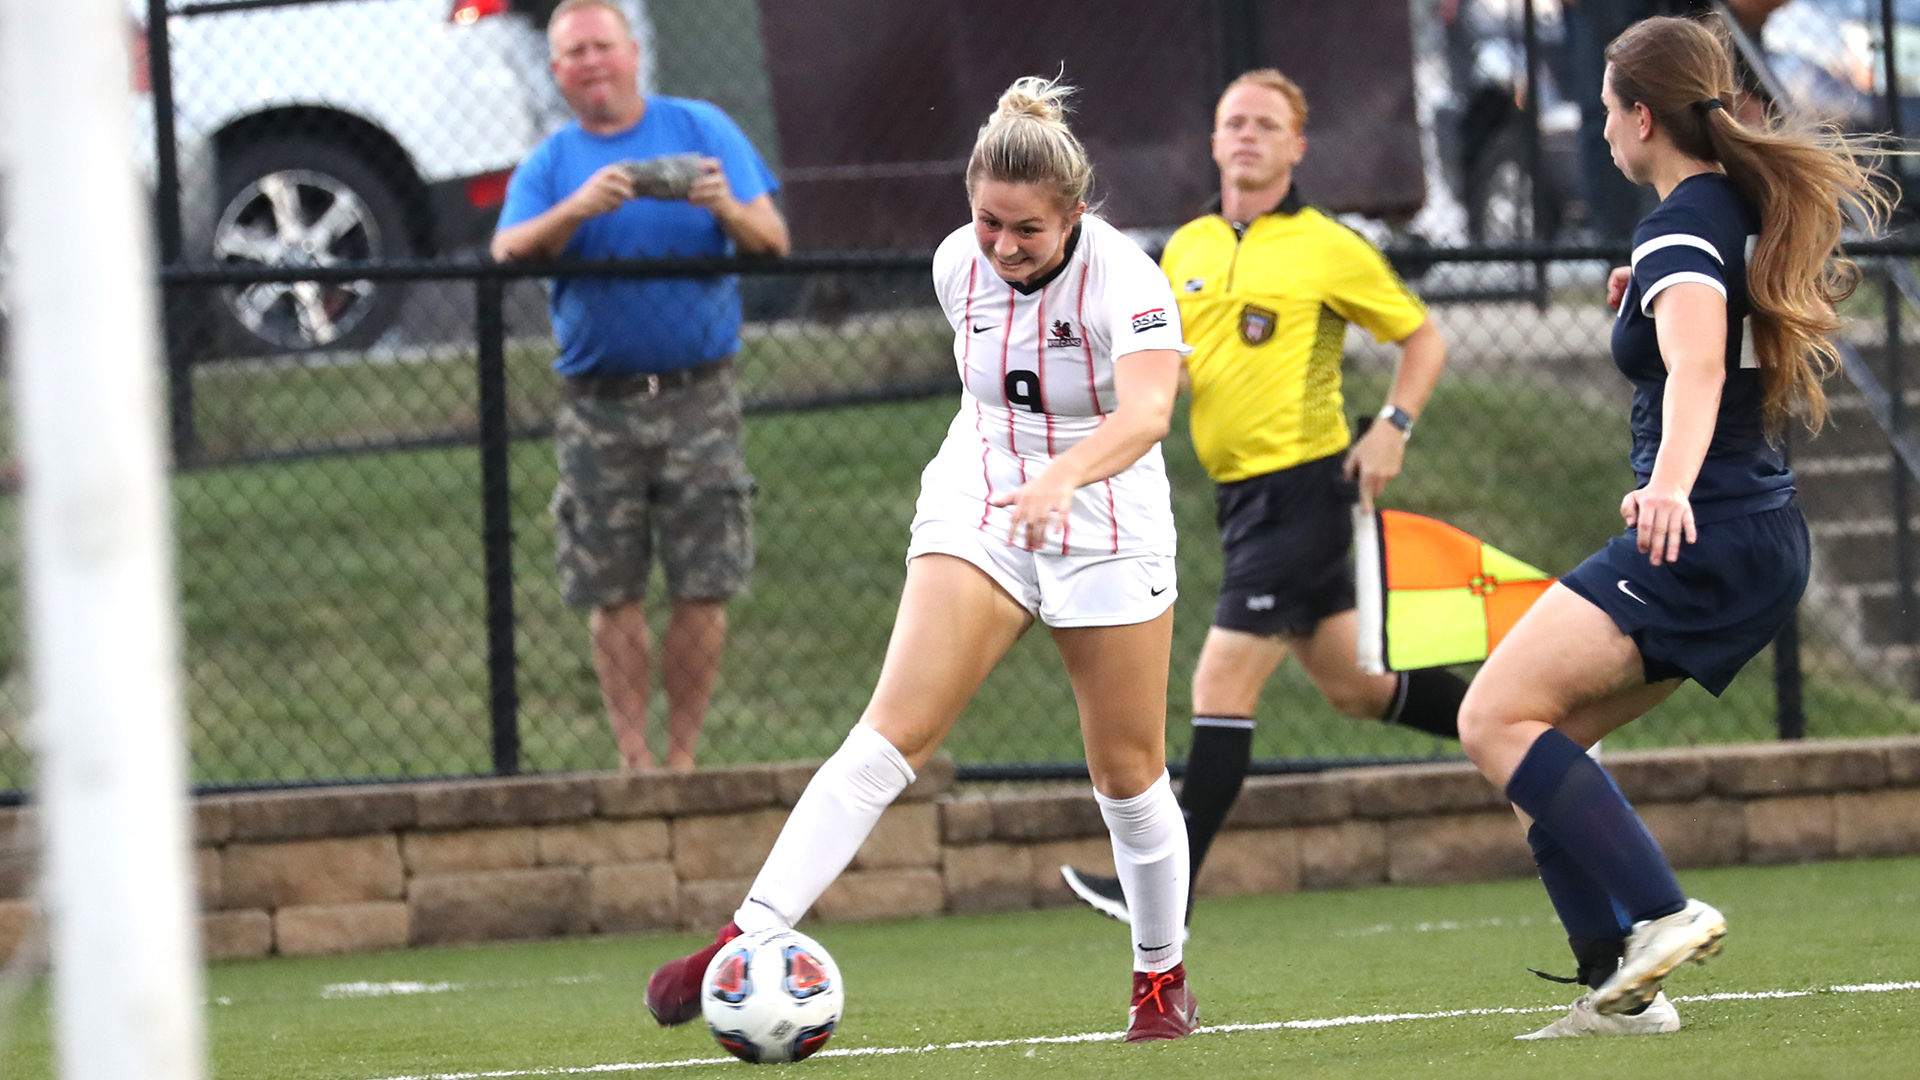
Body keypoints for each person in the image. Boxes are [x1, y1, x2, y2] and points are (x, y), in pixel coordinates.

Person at [642, 75, 1202, 1042]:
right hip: (982, 498)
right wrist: (1023, 482)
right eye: (989, 221)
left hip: (1107, 513)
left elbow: (1151, 413)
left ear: (1072, 215)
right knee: (886, 739)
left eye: (1027, 229)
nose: (1004, 245)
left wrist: (1065, 478)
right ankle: (743, 937)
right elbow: (993, 399)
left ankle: (1160, 978)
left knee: (1126, 774)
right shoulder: (957, 264)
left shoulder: (1129, 279)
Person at [1456, 15, 1887, 1040]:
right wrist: (1637, 301)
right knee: (1544, 748)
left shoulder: (1681, 225)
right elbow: (1700, 328)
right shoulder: (1726, 211)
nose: (1600, 126)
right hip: (1756, 538)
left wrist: (1672, 487)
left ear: (1642, 117)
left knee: (1492, 720)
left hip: (1703, 533)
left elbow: (1699, 366)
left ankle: (1664, 915)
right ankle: (1620, 990)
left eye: (1606, 107)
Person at [1060, 69, 1467, 924]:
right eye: (1232, 122)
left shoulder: (1328, 244)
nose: (1246, 135)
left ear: (1296, 146)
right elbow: (1168, 367)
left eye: (1265, 125)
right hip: (1239, 501)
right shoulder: (1188, 249)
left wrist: (1393, 422)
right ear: (1213, 141)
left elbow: (1422, 337)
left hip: (1307, 490)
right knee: (1357, 686)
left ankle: (1160, 898)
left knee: (1219, 682)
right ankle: (1534, 726)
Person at [491, 0, 789, 771]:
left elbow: (773, 242)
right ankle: (635, 762)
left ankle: (682, 760)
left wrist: (723, 204)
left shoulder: (700, 129)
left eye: (601, 46)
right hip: (597, 407)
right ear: (557, 73)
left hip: (701, 397)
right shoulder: (553, 162)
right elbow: (507, 250)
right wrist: (578, 209)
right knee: (610, 590)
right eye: (572, 54)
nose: (590, 63)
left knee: (704, 584)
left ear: (632, 52)